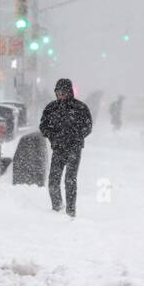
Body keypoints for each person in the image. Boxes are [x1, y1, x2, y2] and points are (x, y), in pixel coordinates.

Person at [39, 78, 92, 217]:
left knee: (70, 179)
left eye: (63, 92)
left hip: (74, 148)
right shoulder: (51, 108)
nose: (60, 95)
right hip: (58, 148)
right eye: (58, 92)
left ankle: (70, 211)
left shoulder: (80, 108)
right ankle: (57, 208)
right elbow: (43, 127)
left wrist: (76, 137)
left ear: (69, 92)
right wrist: (53, 136)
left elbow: (88, 127)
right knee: (53, 181)